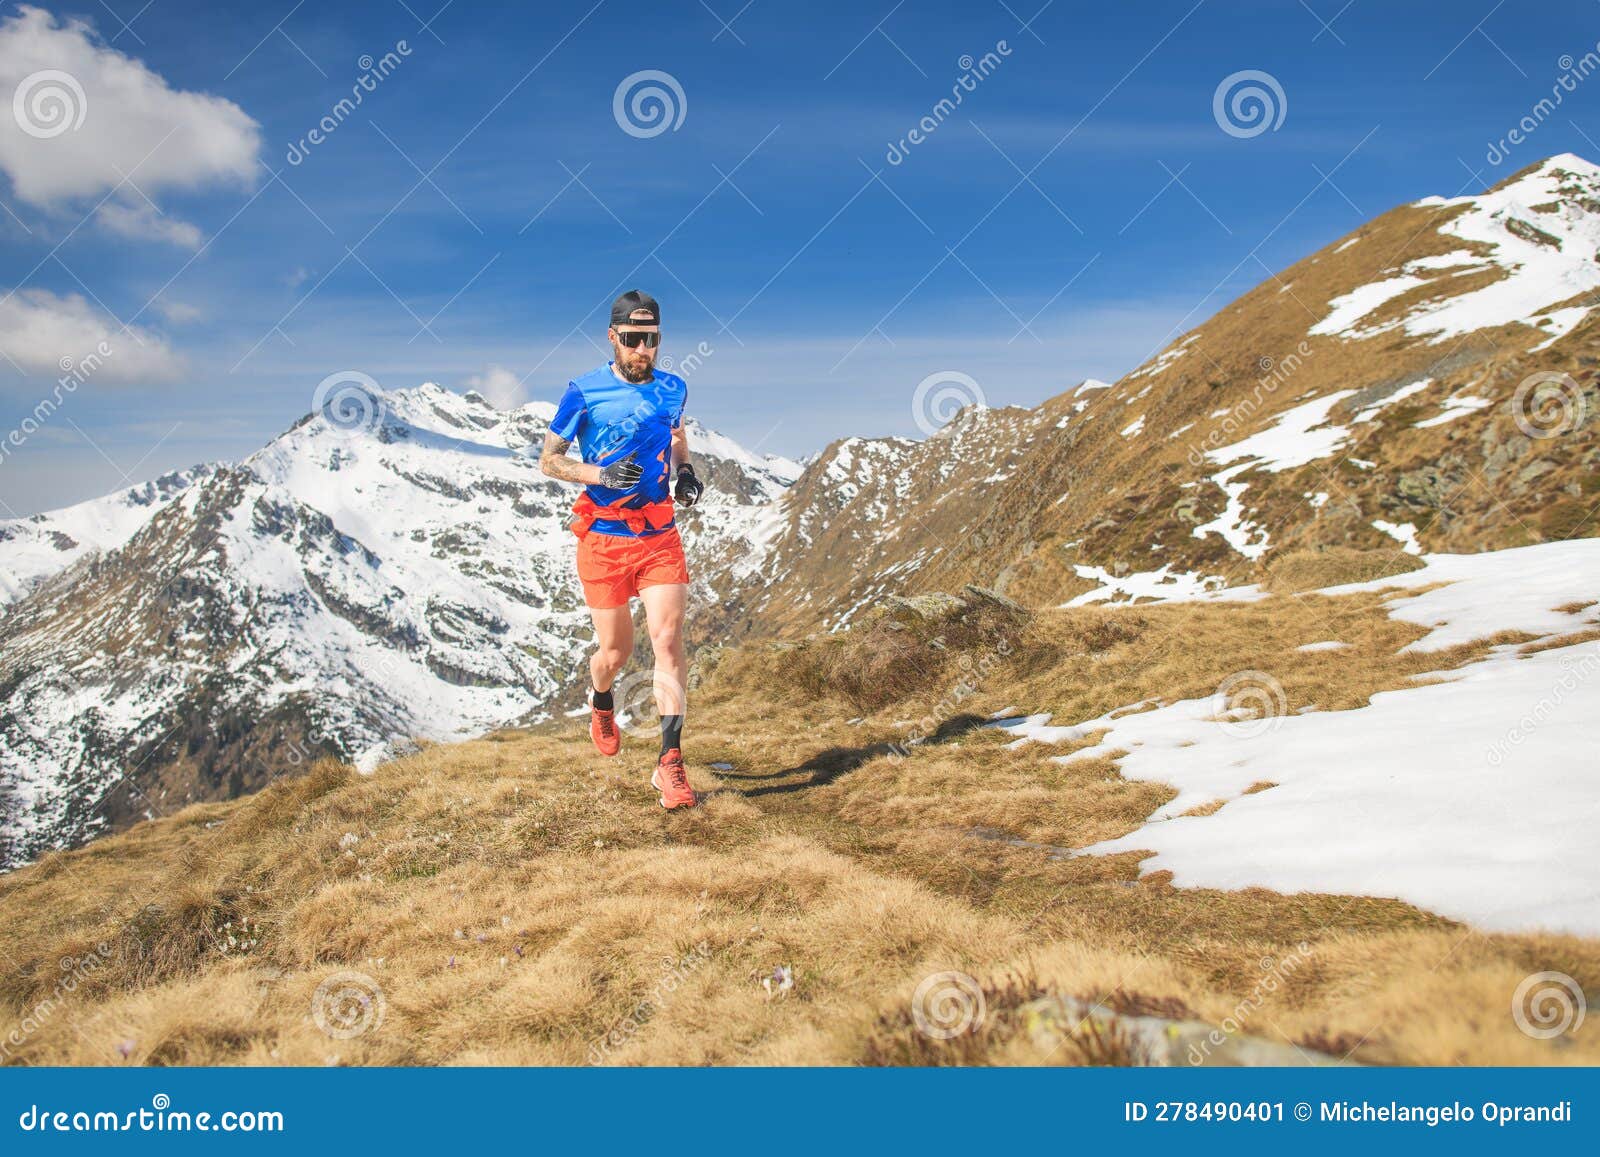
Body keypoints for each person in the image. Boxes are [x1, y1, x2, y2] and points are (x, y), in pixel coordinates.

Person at [539, 290, 706, 809]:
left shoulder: (674, 388)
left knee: (669, 640)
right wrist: (601, 475)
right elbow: (549, 460)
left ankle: (669, 761)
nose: (642, 350)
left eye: (651, 339)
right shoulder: (583, 392)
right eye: (633, 339)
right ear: (613, 337)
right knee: (614, 653)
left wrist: (684, 472)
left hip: (658, 534)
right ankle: (602, 700)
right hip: (604, 538)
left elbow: (676, 437)